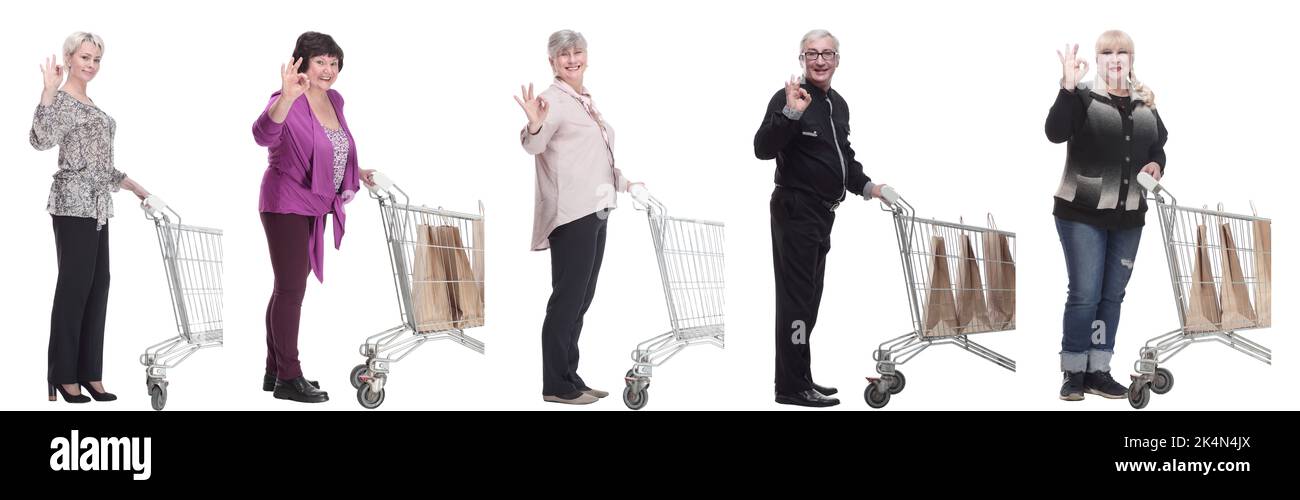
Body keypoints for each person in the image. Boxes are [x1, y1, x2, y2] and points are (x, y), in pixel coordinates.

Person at [754, 29, 890, 408]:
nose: (819, 60)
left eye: (827, 53)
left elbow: (843, 157)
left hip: (822, 215)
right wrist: (789, 114)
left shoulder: (838, 105)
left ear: (837, 60)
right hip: (795, 210)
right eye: (811, 53)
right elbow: (762, 148)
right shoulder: (790, 98)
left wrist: (870, 187)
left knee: (809, 301)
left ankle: (798, 377)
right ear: (801, 59)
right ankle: (792, 387)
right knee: (796, 302)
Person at [515, 29, 651, 405]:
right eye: (563, 55)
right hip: (572, 212)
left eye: (576, 52)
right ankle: (555, 385)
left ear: (586, 57)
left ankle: (570, 377)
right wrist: (534, 123)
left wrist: (625, 183)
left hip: (598, 209)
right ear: (552, 62)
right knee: (567, 299)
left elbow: (594, 159)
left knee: (581, 299)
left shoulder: (584, 100)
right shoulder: (551, 100)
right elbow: (535, 144)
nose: (571, 59)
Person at [252, 31, 375, 403]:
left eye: (334, 63)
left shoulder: (334, 99)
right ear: (301, 63)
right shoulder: (286, 98)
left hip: (316, 204)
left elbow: (334, 148)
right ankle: (289, 377)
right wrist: (286, 97)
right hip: (285, 200)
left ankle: (275, 370)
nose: (329, 70)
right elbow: (262, 135)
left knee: (286, 287)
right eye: (321, 61)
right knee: (292, 289)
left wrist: (357, 172)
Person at [1045, 30, 1167, 401]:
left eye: (1122, 53)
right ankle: (1073, 372)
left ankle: (1099, 370)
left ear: (1131, 59)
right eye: (1107, 53)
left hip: (1129, 216)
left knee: (1112, 295)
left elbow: (1158, 148)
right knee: (1085, 293)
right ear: (1097, 61)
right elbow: (1054, 132)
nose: (1115, 59)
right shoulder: (1081, 98)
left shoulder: (1146, 104)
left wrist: (1157, 166)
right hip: (1081, 212)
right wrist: (1066, 87)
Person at [33, 32, 151, 404]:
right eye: (84, 57)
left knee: (98, 286)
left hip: (98, 207)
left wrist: (132, 185)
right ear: (69, 58)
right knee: (74, 289)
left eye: (96, 59)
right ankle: (63, 375)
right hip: (72, 206)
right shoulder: (65, 101)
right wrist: (48, 92)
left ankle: (90, 373)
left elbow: (100, 164)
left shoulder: (92, 103)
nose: (91, 65)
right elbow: (39, 140)